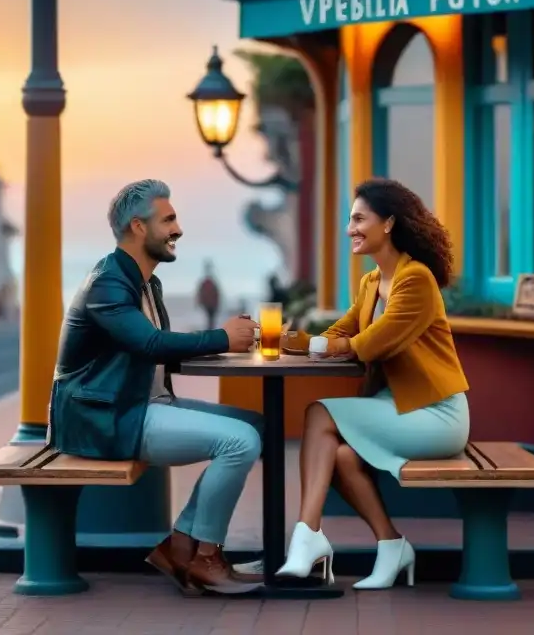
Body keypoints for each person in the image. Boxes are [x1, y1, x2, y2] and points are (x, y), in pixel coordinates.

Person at [48, 179, 264, 597]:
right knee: (239, 442)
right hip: (105, 419)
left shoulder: (146, 281)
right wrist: (222, 338)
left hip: (138, 406)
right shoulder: (108, 284)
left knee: (256, 425)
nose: (178, 229)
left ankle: (180, 546)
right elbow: (149, 344)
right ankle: (202, 558)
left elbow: (155, 349)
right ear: (138, 227)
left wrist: (229, 344)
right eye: (168, 220)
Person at [277, 178, 470, 590]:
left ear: (389, 224)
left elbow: (370, 343)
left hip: (436, 414)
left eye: (359, 219)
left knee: (319, 413)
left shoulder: (415, 281)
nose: (351, 228)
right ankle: (391, 544)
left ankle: (306, 535)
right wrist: (288, 340)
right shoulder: (370, 283)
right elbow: (338, 333)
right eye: (350, 219)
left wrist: (317, 345)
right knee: (343, 458)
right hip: (396, 406)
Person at [195, 260, 220, 330]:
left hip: (211, 304)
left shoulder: (209, 283)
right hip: (209, 304)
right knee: (210, 319)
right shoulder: (208, 283)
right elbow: (201, 293)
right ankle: (210, 329)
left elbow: (216, 294)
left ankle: (210, 329)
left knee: (210, 319)